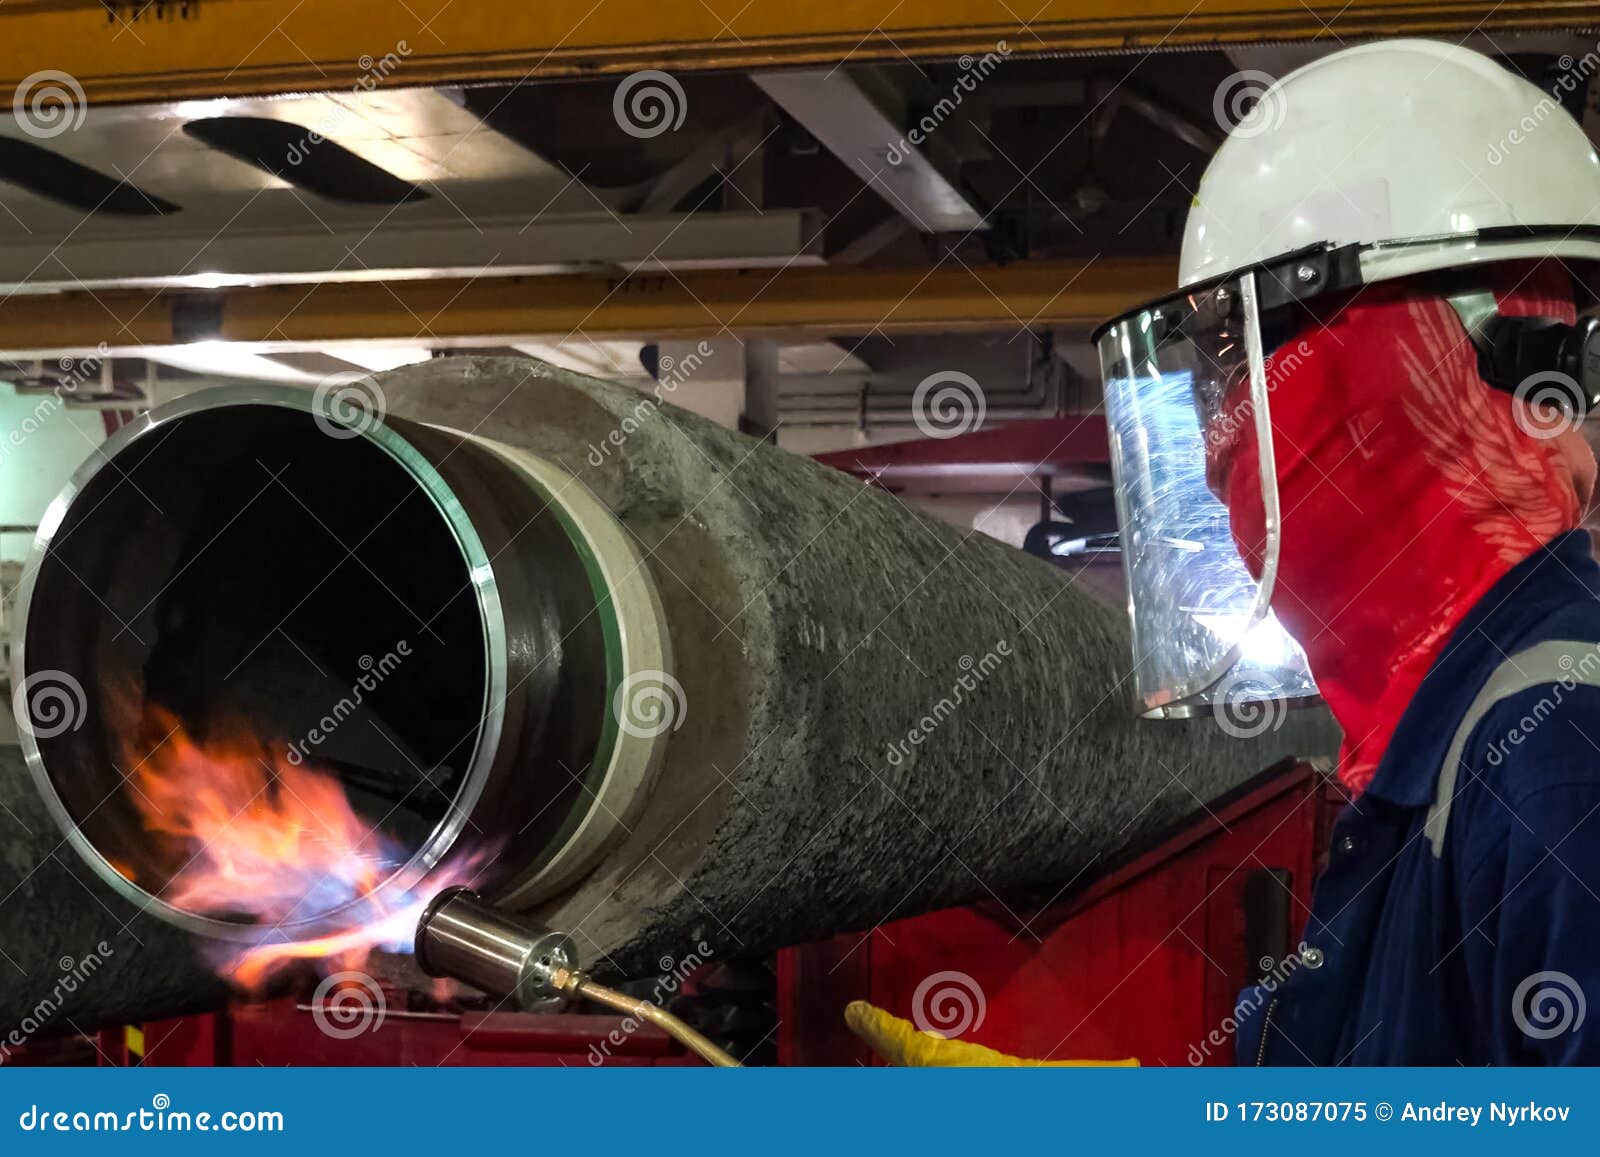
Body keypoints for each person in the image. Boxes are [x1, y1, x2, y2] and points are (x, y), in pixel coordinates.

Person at [1096, 37, 1600, 1064]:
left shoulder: (1556, 756)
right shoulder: (1455, 735)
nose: (1212, 451)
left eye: (1240, 359)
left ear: (1405, 357)